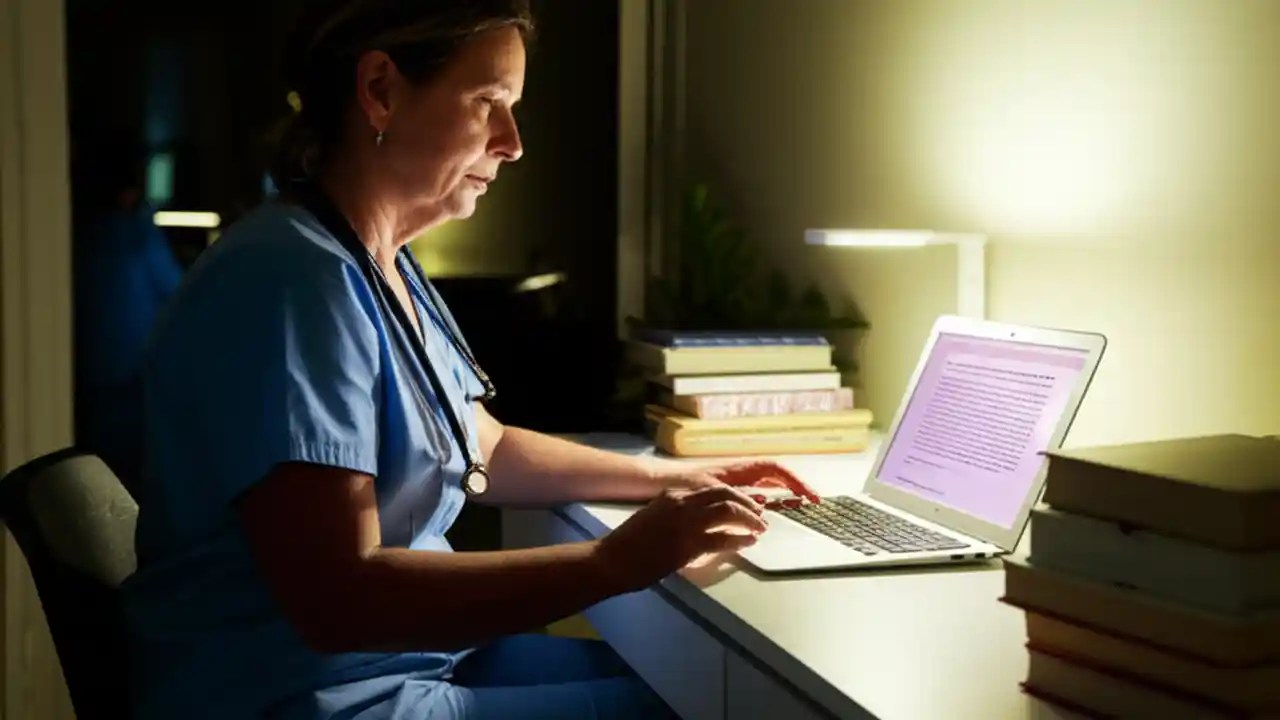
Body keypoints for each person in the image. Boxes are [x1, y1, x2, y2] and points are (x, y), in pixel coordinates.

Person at [121, 2, 818, 718]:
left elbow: (479, 442)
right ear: (381, 91)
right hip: (312, 694)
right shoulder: (295, 282)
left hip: (402, 656)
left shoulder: (374, 259)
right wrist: (615, 562)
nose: (512, 143)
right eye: (488, 102)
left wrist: (668, 477)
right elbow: (340, 602)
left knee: (703, 686)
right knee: (725, 708)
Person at [72, 141, 184, 493]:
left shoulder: (76, 236)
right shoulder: (137, 237)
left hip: (90, 384)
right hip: (130, 386)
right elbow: (180, 294)